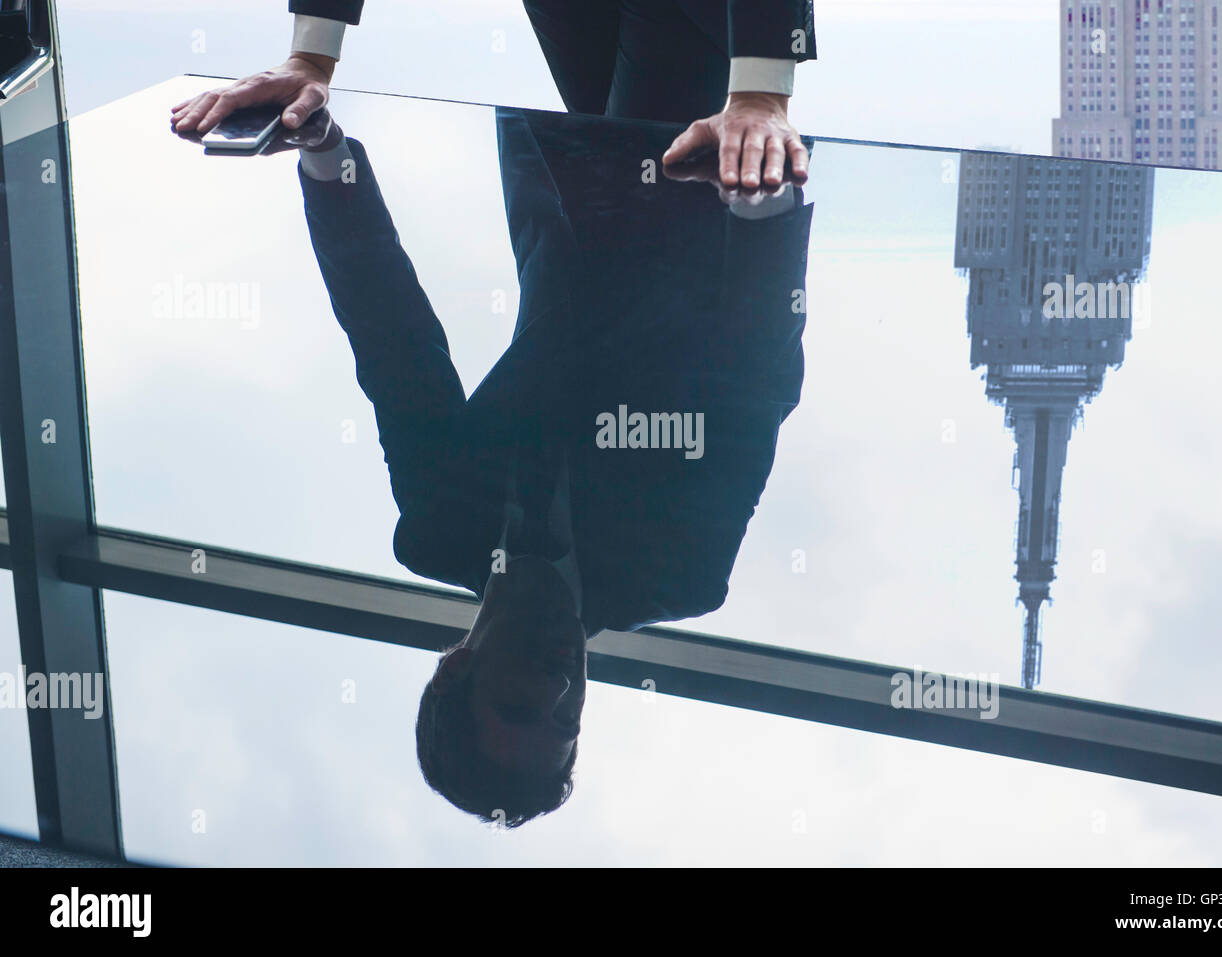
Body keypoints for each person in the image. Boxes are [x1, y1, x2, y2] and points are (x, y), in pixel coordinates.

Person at [277, 104, 814, 825]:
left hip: (550, 146)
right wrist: (761, 204)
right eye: (567, 722)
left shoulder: (441, 521)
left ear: (455, 666)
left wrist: (323, 156)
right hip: (707, 162)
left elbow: (391, 336)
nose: (561, 686)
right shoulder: (679, 571)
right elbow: (760, 381)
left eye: (522, 703)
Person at [171, 0, 817, 190]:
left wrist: (760, 88)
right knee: (598, 229)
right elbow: (392, 342)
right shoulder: (454, 494)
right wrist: (311, 53)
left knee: (654, 224)